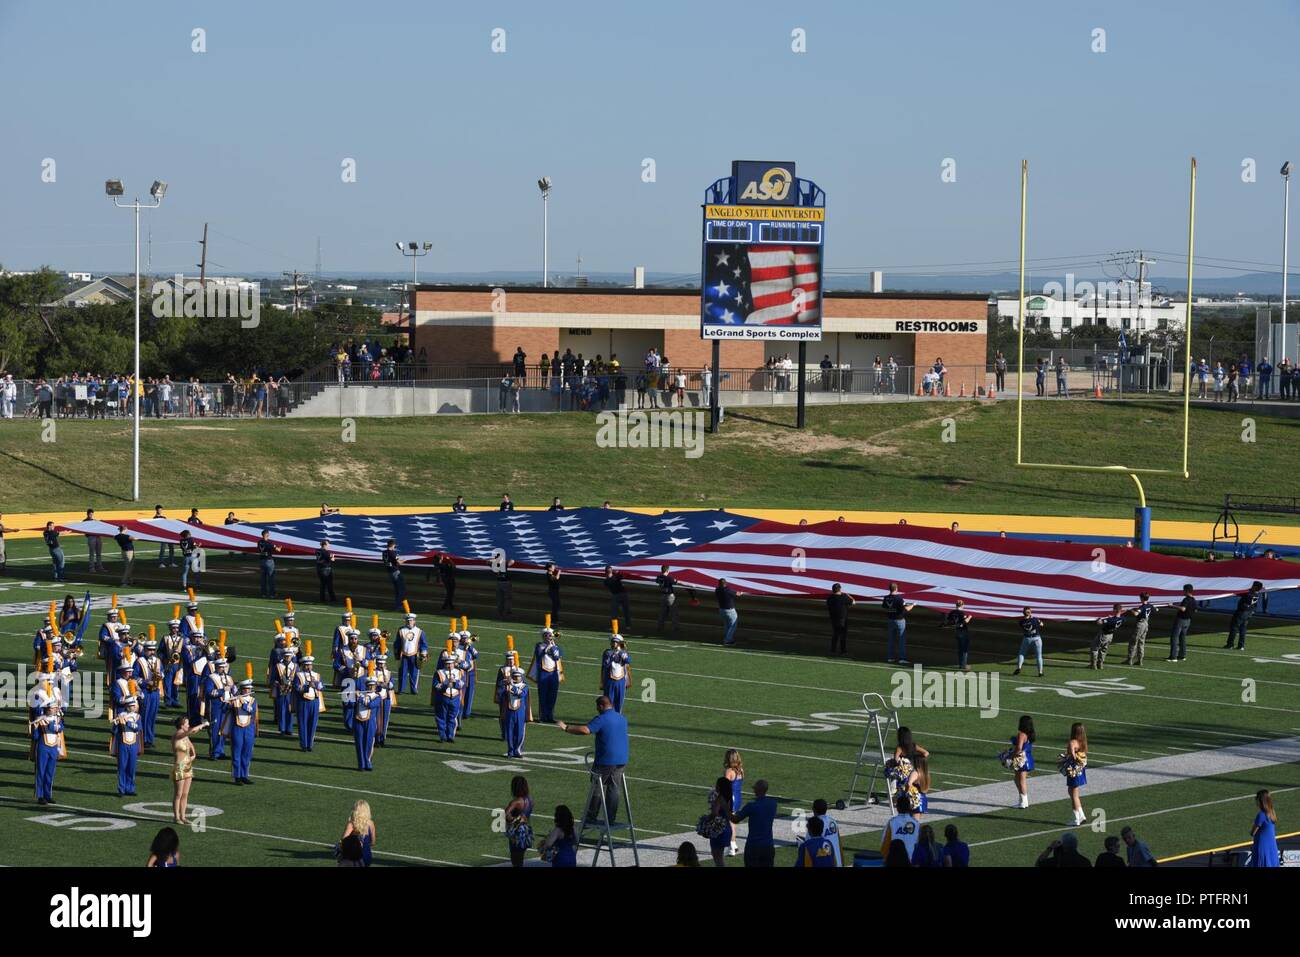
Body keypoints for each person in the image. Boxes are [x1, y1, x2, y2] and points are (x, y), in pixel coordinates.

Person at [558, 696, 629, 825]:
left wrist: (566, 728)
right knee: (613, 788)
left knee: (597, 787)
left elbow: (586, 730)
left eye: (597, 707)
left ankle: (591, 816)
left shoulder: (602, 719)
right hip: (622, 759)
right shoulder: (621, 718)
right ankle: (610, 818)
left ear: (601, 706)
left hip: (606, 760)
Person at [731, 778, 778, 867]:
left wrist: (726, 809)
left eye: (755, 788)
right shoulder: (773, 804)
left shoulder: (752, 805)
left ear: (758, 790)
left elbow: (735, 819)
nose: (753, 790)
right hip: (768, 845)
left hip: (753, 846)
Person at [31, 703, 65, 805]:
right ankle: (40, 796)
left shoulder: (57, 719)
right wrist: (36, 727)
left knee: (50, 773)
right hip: (43, 747)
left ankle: (48, 795)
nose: (55, 710)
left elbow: (59, 728)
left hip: (53, 748)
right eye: (52, 708)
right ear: (47, 709)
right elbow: (36, 737)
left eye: (55, 708)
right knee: (41, 772)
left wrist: (50, 722)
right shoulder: (42, 719)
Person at [528, 626, 564, 722]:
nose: (549, 637)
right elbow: (539, 655)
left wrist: (553, 647)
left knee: (552, 696)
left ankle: (550, 716)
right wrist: (548, 646)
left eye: (550, 635)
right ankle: (542, 716)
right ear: (543, 637)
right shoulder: (539, 645)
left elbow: (557, 657)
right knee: (543, 695)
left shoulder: (555, 646)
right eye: (547, 636)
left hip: (553, 674)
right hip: (543, 674)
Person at [226, 678, 258, 785]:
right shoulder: (235, 700)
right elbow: (225, 708)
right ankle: (237, 776)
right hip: (237, 729)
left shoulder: (253, 701)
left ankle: (244, 775)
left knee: (246, 753)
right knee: (236, 753)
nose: (248, 691)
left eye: (249, 689)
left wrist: (242, 702)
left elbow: (250, 710)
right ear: (242, 690)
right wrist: (229, 699)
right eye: (246, 689)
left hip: (249, 729)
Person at [112, 696, 143, 796]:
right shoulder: (120, 715)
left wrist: (127, 722)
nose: (134, 707)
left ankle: (130, 789)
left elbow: (138, 728)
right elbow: (114, 731)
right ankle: (121, 789)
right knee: (122, 767)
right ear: (127, 706)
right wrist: (117, 723)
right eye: (132, 706)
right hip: (123, 744)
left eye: (134, 706)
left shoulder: (137, 716)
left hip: (133, 744)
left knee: (131, 767)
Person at [1224, 580, 1264, 651]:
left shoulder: (1249, 594)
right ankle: (1241, 645)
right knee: (1243, 629)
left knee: (1234, 627)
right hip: (1248, 614)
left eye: (1253, 586)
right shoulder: (1256, 595)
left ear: (1255, 587)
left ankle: (1230, 644)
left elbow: (1239, 593)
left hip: (1242, 612)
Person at [294, 656, 323, 751]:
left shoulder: (317, 675)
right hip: (303, 702)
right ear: (303, 666)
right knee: (302, 723)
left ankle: (310, 745)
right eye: (306, 665)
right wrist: (307, 686)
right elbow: (297, 688)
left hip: (314, 701)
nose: (308, 667)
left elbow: (322, 687)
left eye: (310, 665)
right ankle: (304, 745)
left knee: (313, 724)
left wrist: (317, 684)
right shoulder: (298, 675)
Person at [504, 776, 534, 867]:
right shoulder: (530, 800)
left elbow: (506, 814)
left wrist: (513, 820)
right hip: (526, 832)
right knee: (520, 859)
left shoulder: (516, 802)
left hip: (517, 834)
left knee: (515, 861)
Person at [881, 790, 921, 858]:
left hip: (895, 860)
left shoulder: (891, 822)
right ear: (909, 807)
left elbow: (884, 843)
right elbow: (920, 844)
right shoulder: (916, 823)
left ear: (897, 808)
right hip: (912, 860)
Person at [881, 582, 913, 664]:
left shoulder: (886, 598)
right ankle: (902, 658)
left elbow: (884, 606)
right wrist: (913, 605)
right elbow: (906, 609)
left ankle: (890, 657)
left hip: (890, 619)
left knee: (891, 640)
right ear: (896, 589)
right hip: (899, 620)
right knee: (901, 640)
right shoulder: (899, 598)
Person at [1064, 722, 1088, 826]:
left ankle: (1076, 819)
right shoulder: (1082, 742)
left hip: (1073, 769)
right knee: (1074, 793)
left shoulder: (1072, 742)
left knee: (1073, 794)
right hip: (1080, 770)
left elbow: (1072, 757)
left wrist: (1065, 757)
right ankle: (1081, 815)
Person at [600, 632, 631, 713]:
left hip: (621, 681)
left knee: (619, 702)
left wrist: (621, 652)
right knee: (608, 702)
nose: (614, 643)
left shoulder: (624, 652)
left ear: (619, 643)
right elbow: (606, 664)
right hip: (610, 681)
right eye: (613, 642)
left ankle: (617, 718)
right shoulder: (607, 652)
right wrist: (613, 655)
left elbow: (628, 661)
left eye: (616, 642)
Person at [1009, 714, 1035, 809]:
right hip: (1027, 758)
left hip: (1021, 760)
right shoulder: (1030, 734)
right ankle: (1023, 800)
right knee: (1017, 779)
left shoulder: (1021, 734)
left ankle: (1024, 802)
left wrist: (1010, 755)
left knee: (1021, 780)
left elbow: (1019, 748)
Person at [502, 666, 529, 757]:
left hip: (520, 712)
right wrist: (505, 685)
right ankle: (510, 751)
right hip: (509, 711)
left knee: (520, 732)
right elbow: (502, 695)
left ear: (521, 676)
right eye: (514, 676)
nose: (516, 678)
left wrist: (511, 685)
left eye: (518, 676)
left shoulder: (524, 686)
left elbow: (521, 694)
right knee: (509, 732)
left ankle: (518, 750)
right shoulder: (507, 685)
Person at [340, 799, 376, 867]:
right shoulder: (371, 823)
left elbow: (343, 842)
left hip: (355, 858)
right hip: (367, 857)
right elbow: (373, 842)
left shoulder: (352, 824)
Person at [1250, 790, 1280, 867]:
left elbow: (1253, 833)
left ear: (1261, 801)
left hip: (1262, 846)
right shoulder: (1272, 813)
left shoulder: (1261, 815)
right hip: (1271, 846)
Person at [1123, 592, 1154, 666]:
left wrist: (1131, 610)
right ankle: (1140, 660)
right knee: (1141, 642)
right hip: (1146, 623)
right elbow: (1156, 609)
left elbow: (1136, 614)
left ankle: (1130, 659)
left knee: (1133, 641)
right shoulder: (1150, 605)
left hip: (1140, 624)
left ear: (1142, 598)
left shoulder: (1142, 607)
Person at [1013, 606, 1044, 676]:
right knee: (1039, 656)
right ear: (1030, 613)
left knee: (1021, 653)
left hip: (1027, 638)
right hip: (1036, 638)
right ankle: (1040, 672)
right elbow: (1042, 625)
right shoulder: (1035, 619)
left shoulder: (1021, 622)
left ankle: (1019, 667)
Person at [1091, 603, 1123, 670]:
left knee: (1095, 648)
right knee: (1104, 650)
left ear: (1114, 609)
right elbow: (1116, 617)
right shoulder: (1121, 619)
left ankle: (1094, 665)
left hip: (1104, 635)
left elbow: (1099, 622)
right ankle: (1100, 664)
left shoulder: (1110, 620)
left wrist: (1098, 619)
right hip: (1110, 636)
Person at [1167, 583, 1195, 662]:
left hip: (1181, 620)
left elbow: (1183, 609)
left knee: (1174, 637)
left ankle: (1173, 656)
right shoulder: (1193, 600)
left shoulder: (1186, 599)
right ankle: (1182, 655)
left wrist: (1172, 606)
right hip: (1188, 620)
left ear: (1186, 591)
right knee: (1182, 638)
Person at [826, 583, 854, 656]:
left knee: (835, 635)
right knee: (842, 636)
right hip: (843, 619)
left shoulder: (830, 597)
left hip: (834, 619)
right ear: (840, 589)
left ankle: (833, 650)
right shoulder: (844, 597)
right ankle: (843, 651)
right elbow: (853, 602)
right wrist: (849, 596)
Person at [944, 599, 972, 671]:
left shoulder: (952, 612)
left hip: (957, 631)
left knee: (960, 649)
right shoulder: (962, 613)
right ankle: (963, 665)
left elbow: (947, 620)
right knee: (964, 649)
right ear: (962, 605)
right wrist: (969, 617)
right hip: (963, 632)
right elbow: (965, 621)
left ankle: (961, 664)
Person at [653, 564, 679, 636]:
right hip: (670, 596)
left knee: (662, 613)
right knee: (673, 612)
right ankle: (675, 627)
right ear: (667, 570)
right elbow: (676, 582)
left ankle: (659, 627)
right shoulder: (669, 578)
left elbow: (657, 581)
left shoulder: (658, 577)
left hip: (663, 596)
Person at [382, 539, 405, 610]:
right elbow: (399, 562)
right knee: (401, 589)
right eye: (394, 545)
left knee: (397, 589)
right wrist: (404, 561)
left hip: (390, 571)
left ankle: (398, 604)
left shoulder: (384, 552)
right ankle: (398, 605)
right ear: (393, 545)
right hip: (395, 571)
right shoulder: (392, 552)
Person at [256, 530, 280, 598]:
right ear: (267, 535)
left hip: (262, 561)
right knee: (271, 578)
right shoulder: (269, 543)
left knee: (263, 578)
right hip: (269, 561)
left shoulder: (259, 542)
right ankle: (272, 594)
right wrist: (279, 547)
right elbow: (278, 550)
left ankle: (263, 593)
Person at [716, 578, 739, 646]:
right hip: (729, 610)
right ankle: (728, 640)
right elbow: (737, 594)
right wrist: (741, 593)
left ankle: (727, 639)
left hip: (721, 610)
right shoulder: (727, 590)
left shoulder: (717, 589)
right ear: (726, 583)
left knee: (727, 625)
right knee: (732, 626)